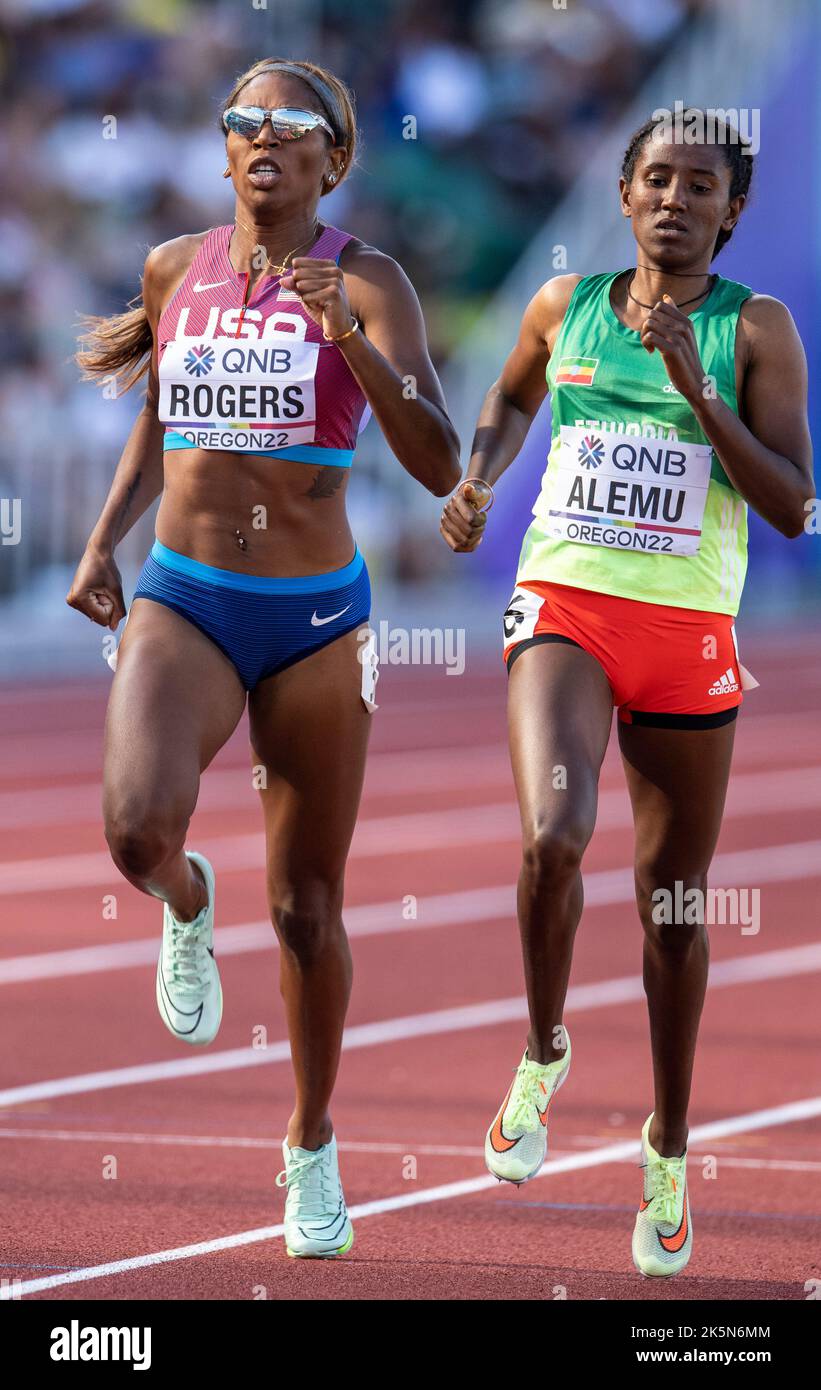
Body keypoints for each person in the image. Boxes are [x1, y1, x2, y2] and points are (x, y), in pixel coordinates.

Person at [69, 56, 460, 1260]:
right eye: (243, 119)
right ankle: (189, 904)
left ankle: (308, 1146)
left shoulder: (370, 279)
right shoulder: (174, 267)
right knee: (136, 830)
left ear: (333, 160)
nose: (263, 136)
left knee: (307, 910)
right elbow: (157, 413)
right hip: (186, 596)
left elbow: (441, 462)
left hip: (314, 622)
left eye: (292, 123)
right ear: (226, 148)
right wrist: (100, 540)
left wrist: (351, 336)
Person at [440, 110, 813, 1276]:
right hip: (567, 606)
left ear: (729, 210)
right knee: (553, 836)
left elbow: (794, 503)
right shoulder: (565, 307)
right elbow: (504, 399)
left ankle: (666, 1143)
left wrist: (699, 394)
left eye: (697, 186)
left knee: (672, 905)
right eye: (654, 179)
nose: (672, 201)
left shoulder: (756, 327)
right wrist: (479, 479)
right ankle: (544, 1048)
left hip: (687, 632)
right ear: (621, 191)